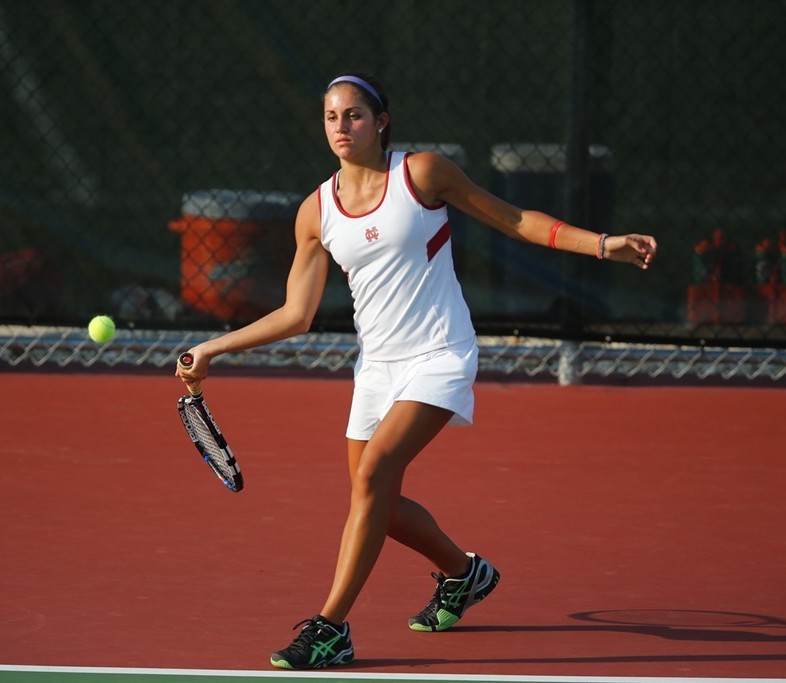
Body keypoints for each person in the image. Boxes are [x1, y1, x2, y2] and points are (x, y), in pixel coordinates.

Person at [176, 72, 658, 670]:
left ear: (381, 121)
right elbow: (297, 314)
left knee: (375, 471)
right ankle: (464, 574)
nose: (342, 127)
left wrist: (602, 244)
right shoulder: (315, 211)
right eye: (331, 117)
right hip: (376, 368)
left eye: (354, 115)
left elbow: (513, 220)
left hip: (440, 353)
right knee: (373, 496)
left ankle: (330, 629)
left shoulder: (422, 174)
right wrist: (216, 348)